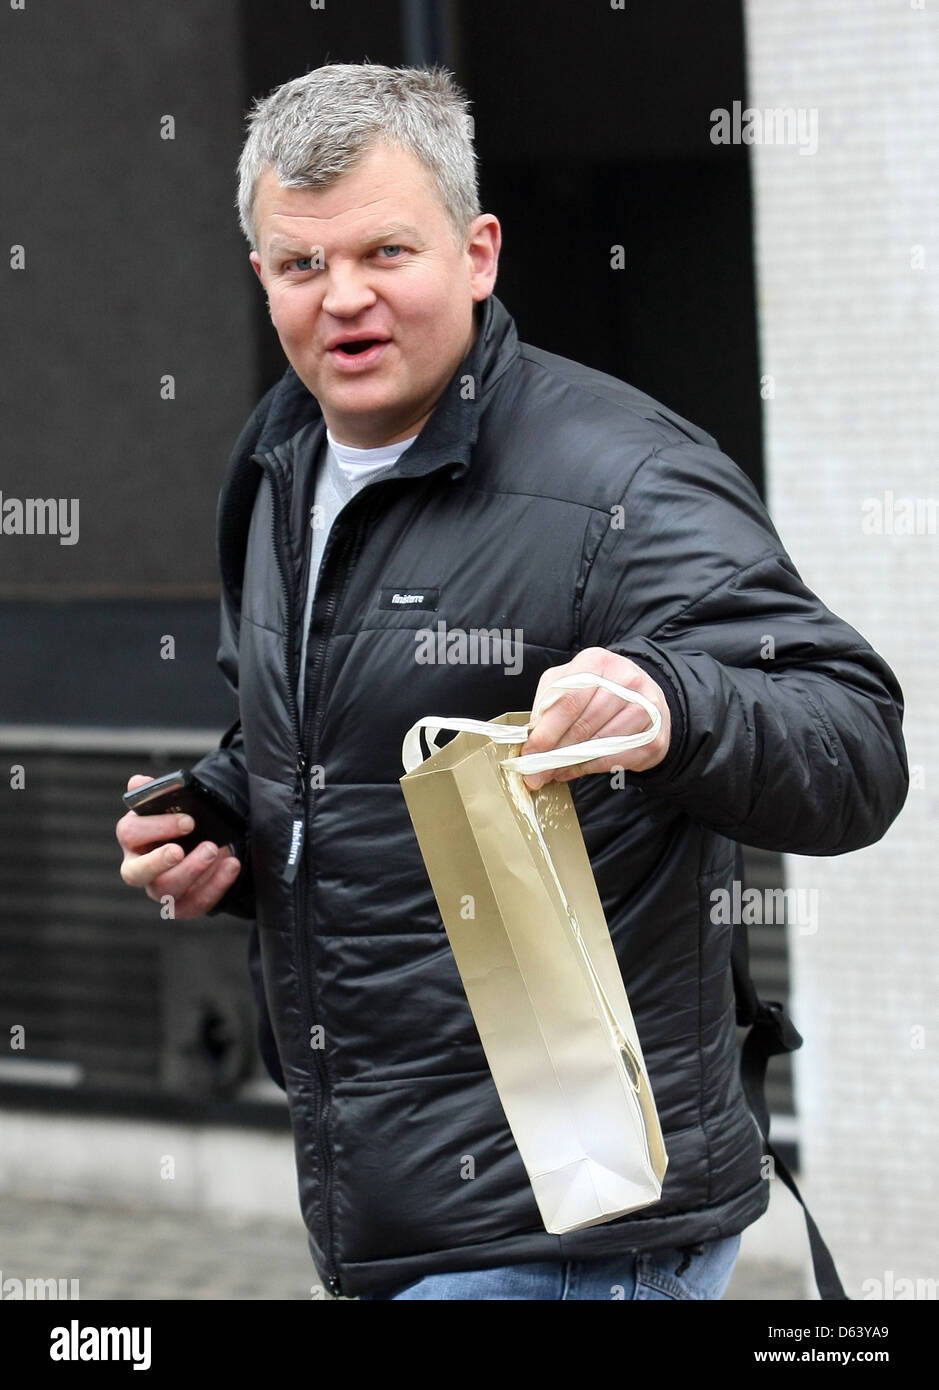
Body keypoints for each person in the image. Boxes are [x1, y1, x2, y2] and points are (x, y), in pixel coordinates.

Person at [115, 63, 908, 1301]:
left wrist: (671, 710)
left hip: (574, 1229)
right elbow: (325, 732)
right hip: (380, 1198)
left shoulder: (624, 477)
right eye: (302, 264)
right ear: (261, 272)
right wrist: (223, 812)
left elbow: (856, 742)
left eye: (387, 250)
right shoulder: (275, 460)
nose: (347, 299)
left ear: (479, 251)